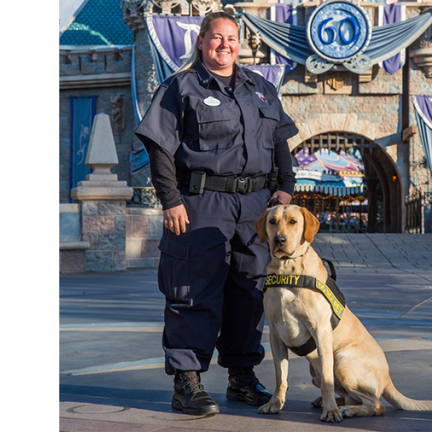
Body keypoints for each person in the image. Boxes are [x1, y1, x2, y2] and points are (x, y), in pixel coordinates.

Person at [134, 11, 298, 416]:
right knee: (193, 290)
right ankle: (187, 383)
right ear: (201, 42)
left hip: (256, 208)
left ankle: (242, 378)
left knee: (250, 290)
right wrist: (170, 199)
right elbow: (160, 149)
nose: (225, 45)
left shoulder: (260, 88)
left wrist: (286, 187)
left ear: (239, 43)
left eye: (232, 38)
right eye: (216, 38)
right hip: (201, 205)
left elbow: (280, 141)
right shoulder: (180, 87)